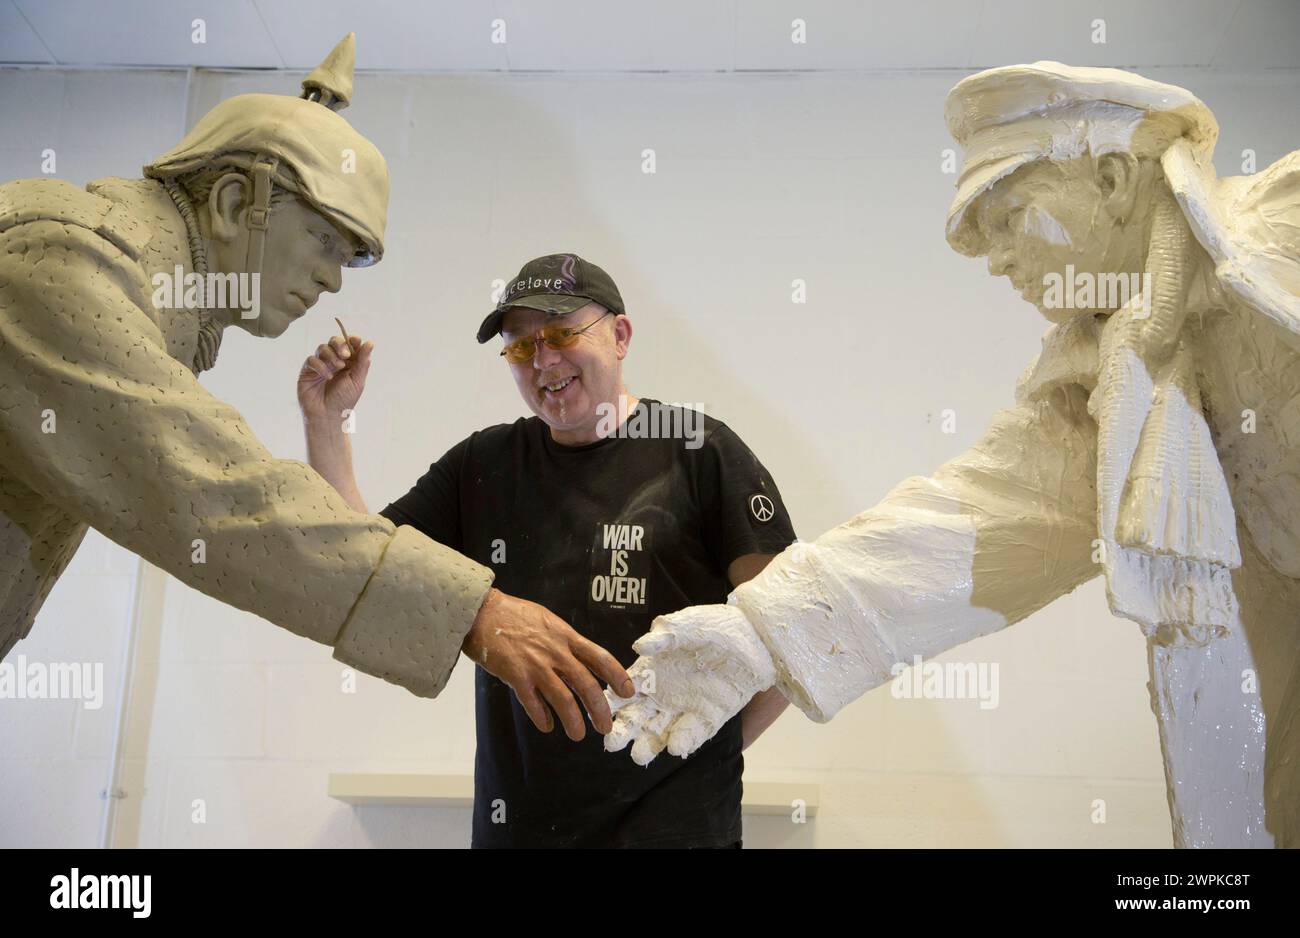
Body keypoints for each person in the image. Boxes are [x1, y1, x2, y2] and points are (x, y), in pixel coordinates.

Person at [605, 62, 1300, 848]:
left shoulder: (1285, 227)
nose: (996, 260)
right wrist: (760, 633)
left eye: (1009, 218)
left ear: (1110, 180)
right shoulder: (1107, 379)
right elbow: (975, 521)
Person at [0, 35, 598, 709]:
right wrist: (473, 611)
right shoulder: (59, 257)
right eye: (323, 240)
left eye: (348, 256)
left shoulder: (137, 295)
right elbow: (215, 493)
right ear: (234, 203)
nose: (333, 281)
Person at [300, 253, 797, 847]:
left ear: (620, 335)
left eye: (561, 334)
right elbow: (362, 569)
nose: (542, 360)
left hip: (678, 833)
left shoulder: (700, 452)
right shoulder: (483, 466)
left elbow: (790, 632)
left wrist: (703, 748)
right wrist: (327, 423)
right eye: (520, 346)